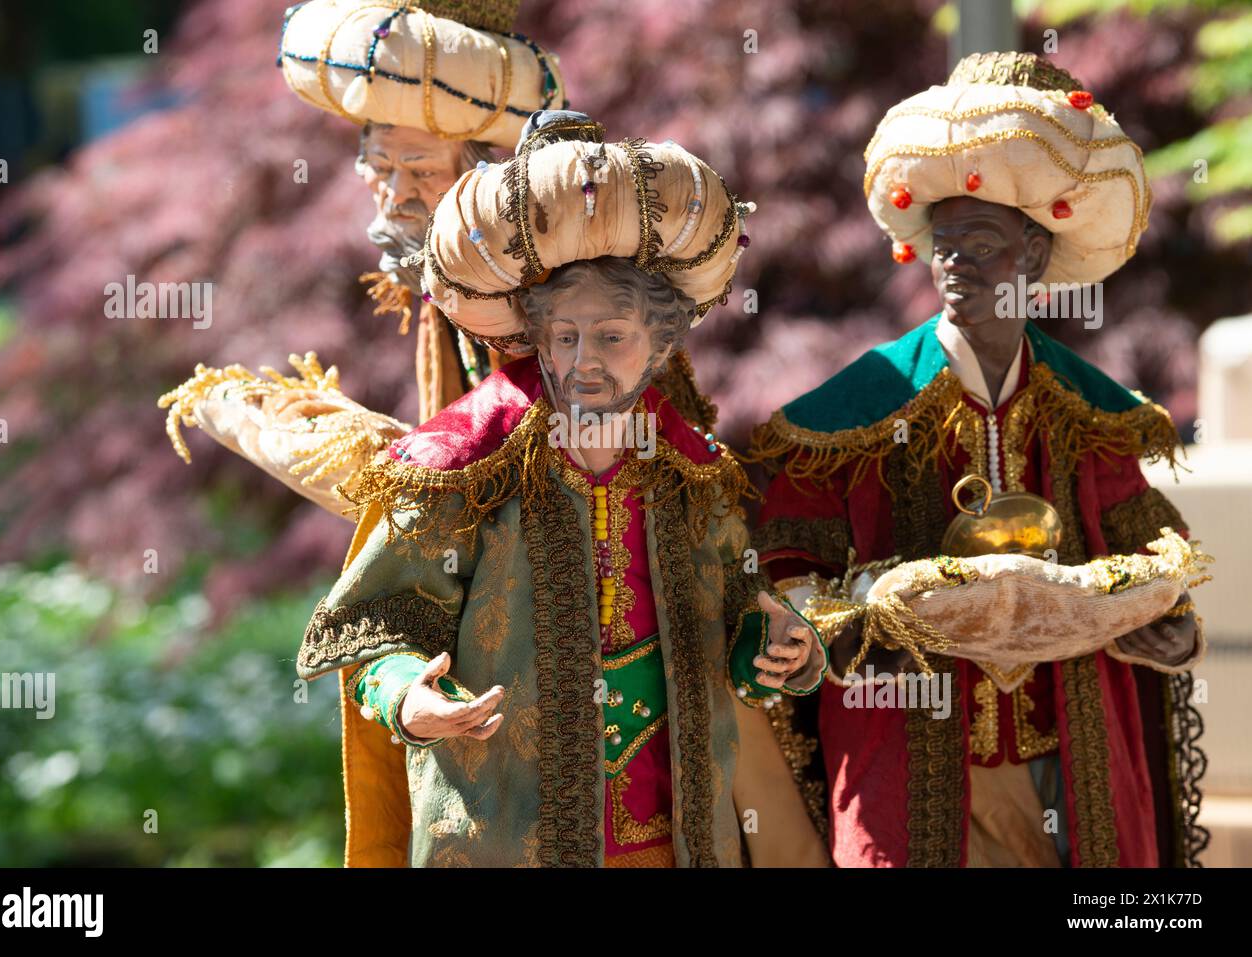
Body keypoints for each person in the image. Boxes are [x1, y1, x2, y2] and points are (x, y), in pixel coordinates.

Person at [296, 111, 829, 867]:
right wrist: (411, 697)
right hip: (503, 837)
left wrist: (775, 647)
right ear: (535, 336)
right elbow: (377, 627)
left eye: (612, 337)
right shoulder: (460, 467)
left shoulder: (694, 474)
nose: (585, 361)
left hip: (669, 841)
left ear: (660, 344)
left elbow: (736, 618)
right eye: (564, 337)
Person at [749, 52, 1207, 868]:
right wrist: (856, 613)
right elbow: (790, 564)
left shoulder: (1090, 410)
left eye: (983, 245)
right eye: (945, 244)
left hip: (1068, 757)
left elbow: (1151, 552)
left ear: (1032, 258)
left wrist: (1163, 625)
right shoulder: (855, 411)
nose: (956, 263)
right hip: (912, 760)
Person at [159, 0, 718, 514]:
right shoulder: (446, 284)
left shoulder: (538, 291)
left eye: (421, 171)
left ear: (481, 184)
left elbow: (482, 475)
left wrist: (320, 441)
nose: (395, 194)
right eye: (380, 169)